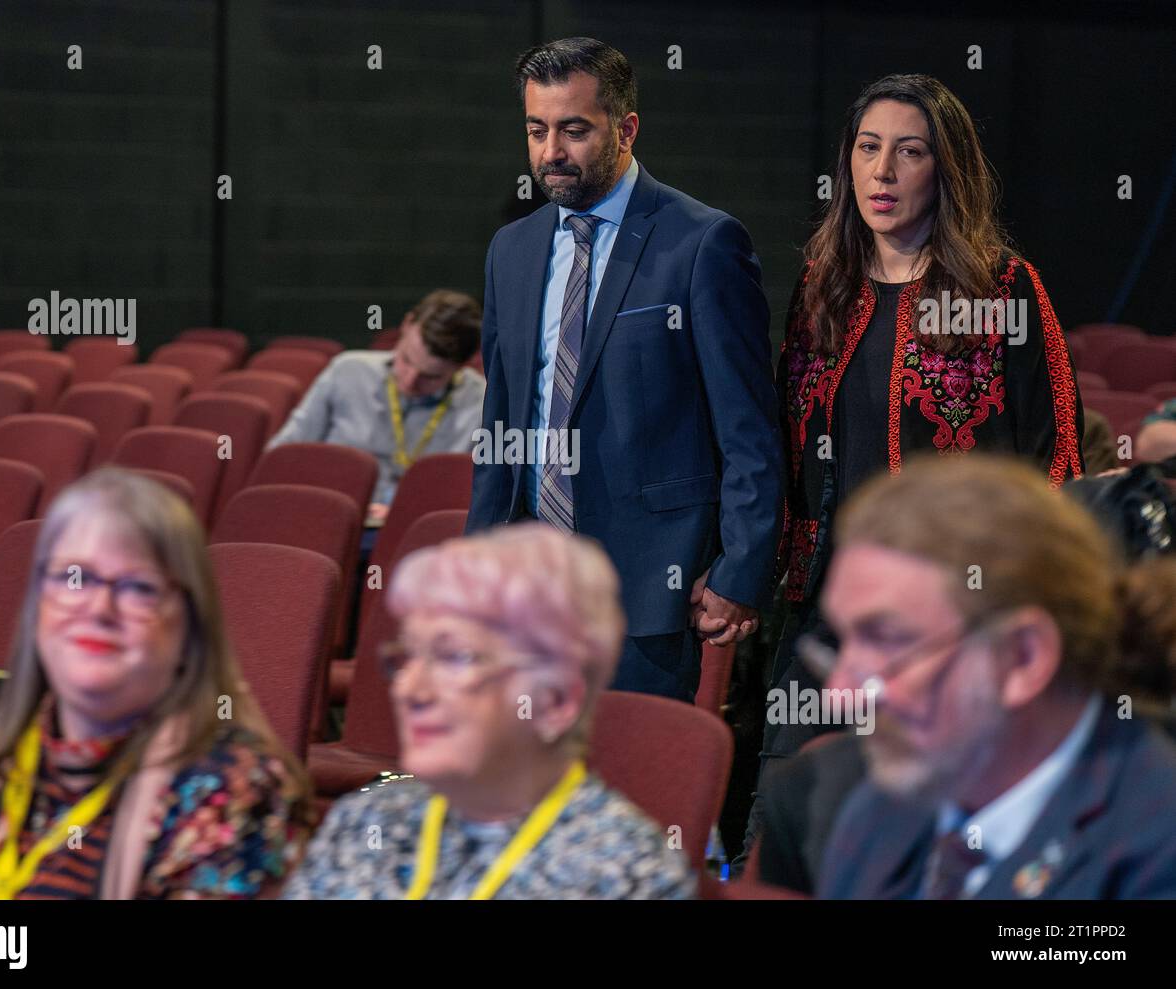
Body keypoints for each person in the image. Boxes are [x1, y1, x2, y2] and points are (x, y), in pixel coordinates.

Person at [754, 73, 1085, 844]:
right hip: (828, 608)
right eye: (868, 149)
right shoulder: (822, 284)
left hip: (954, 619)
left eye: (909, 153)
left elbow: (1054, 457)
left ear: (947, 169)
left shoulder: (1003, 286)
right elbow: (784, 442)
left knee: (922, 838)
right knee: (783, 827)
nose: (883, 172)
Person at [465, 37, 782, 702]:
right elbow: (501, 424)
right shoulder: (512, 250)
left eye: (574, 130)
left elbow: (748, 427)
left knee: (630, 796)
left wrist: (741, 570)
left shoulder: (701, 243)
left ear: (626, 128)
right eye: (537, 129)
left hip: (647, 590)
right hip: (528, 587)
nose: (552, 151)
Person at [0, 468, 309, 899]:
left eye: (139, 587)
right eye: (72, 578)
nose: (99, 608)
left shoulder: (235, 794)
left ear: (190, 623)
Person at [812, 455, 1176, 899]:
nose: (840, 695)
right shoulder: (877, 811)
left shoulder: (1157, 848)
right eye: (841, 642)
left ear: (1023, 658)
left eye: (888, 642)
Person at [282, 523, 695, 899]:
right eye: (407, 657)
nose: (411, 688)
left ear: (555, 703)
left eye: (454, 657)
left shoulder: (626, 876)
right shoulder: (364, 824)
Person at [266, 288, 486, 528]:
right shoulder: (347, 371)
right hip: (331, 519)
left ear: (462, 366)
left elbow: (475, 497)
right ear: (407, 324)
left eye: (431, 377)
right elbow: (282, 457)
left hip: (417, 531)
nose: (409, 381)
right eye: (407, 360)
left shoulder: (480, 402)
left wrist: (401, 511)